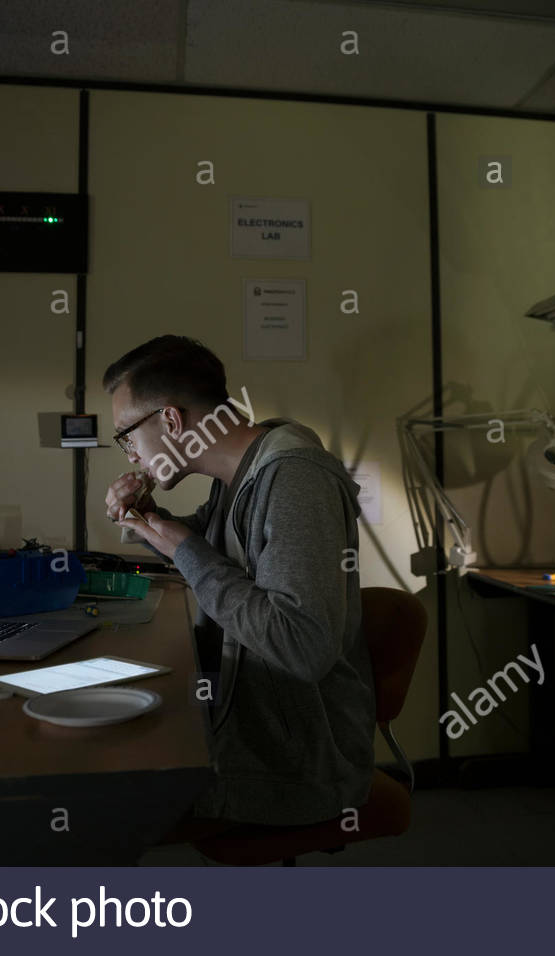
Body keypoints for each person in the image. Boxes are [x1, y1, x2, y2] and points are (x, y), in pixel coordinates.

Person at [102, 335, 375, 838]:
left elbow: (303, 646)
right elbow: (208, 549)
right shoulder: (239, 471)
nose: (132, 456)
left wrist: (183, 546)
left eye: (126, 436)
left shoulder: (294, 477)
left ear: (170, 420)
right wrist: (147, 518)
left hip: (292, 768)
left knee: (96, 799)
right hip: (248, 729)